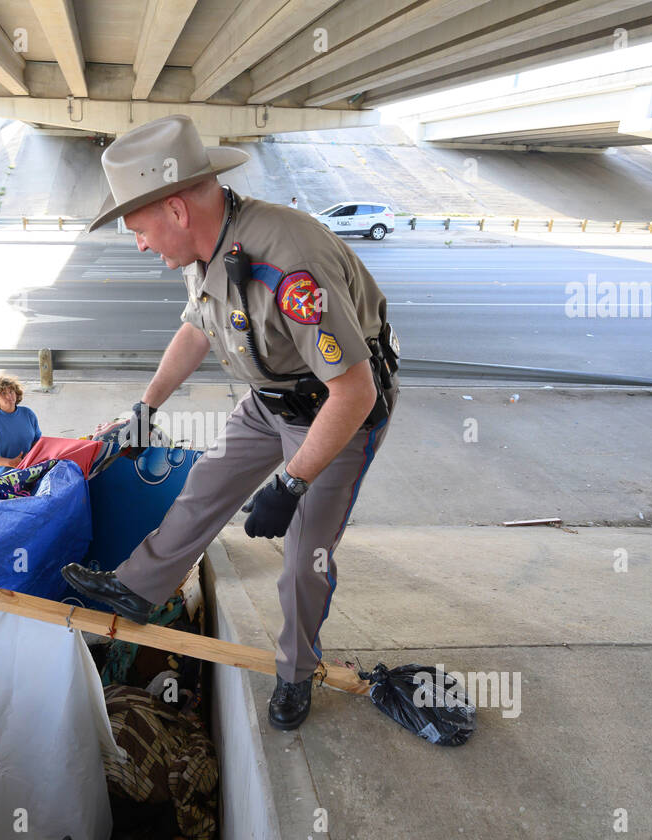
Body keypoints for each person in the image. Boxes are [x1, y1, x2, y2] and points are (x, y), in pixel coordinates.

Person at [61, 115, 400, 731]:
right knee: (205, 486)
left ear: (176, 210)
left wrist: (292, 483)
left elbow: (353, 391)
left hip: (334, 415)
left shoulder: (290, 265)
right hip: (270, 399)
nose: (139, 243)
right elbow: (196, 329)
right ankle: (138, 588)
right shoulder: (209, 247)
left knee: (304, 558)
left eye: (139, 229)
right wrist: (147, 408)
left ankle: (296, 672)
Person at [0, 376, 41, 477]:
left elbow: (38, 439)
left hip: (31, 471)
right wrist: (10, 462)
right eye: (3, 393)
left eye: (11, 391)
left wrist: (30, 455)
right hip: (5, 477)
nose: (9, 396)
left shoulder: (28, 413)